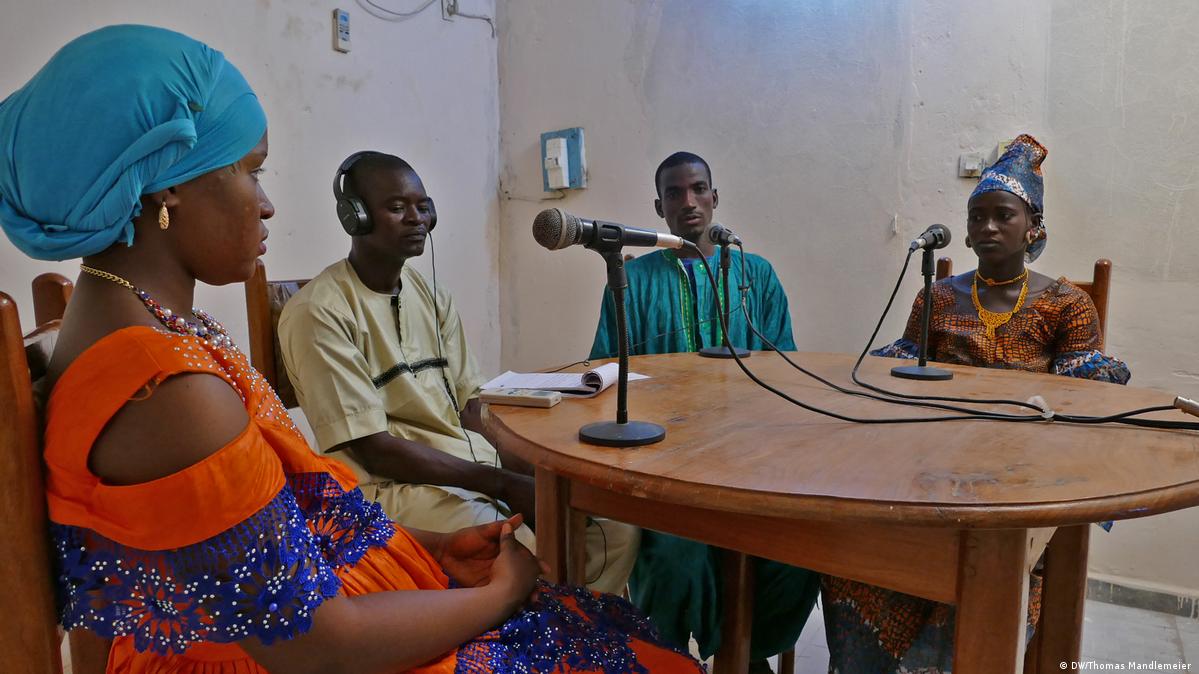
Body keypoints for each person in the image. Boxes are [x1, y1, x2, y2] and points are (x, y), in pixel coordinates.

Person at [0, 25, 701, 674]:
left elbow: (260, 543)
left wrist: (428, 551)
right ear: (168, 189)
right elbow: (318, 646)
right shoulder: (165, 391)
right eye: (251, 170)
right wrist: (502, 592)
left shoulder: (147, 334)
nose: (267, 204)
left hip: (316, 608)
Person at [828, 134, 1130, 673]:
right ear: (964, 233)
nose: (988, 227)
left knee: (976, 593)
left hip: (1016, 490)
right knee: (852, 565)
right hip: (928, 473)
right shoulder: (937, 297)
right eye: (977, 217)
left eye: (1002, 215)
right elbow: (900, 365)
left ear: (1032, 226)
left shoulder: (1067, 304)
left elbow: (1080, 388)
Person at [277, 151, 639, 595]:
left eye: (423, 206)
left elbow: (472, 405)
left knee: (611, 528)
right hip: (382, 489)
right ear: (355, 217)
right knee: (522, 545)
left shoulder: (431, 295)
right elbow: (373, 450)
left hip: (466, 471)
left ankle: (586, 644)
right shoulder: (317, 312)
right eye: (396, 208)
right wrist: (503, 483)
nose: (417, 219)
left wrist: (536, 472)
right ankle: (533, 649)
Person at [589, 151, 820, 672]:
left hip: (750, 457)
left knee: (794, 552)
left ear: (715, 197)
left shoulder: (754, 275)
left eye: (698, 189)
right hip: (664, 457)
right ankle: (670, 657)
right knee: (676, 555)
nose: (688, 202)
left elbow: (783, 366)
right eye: (675, 193)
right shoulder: (633, 279)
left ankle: (746, 650)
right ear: (659, 206)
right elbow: (606, 372)